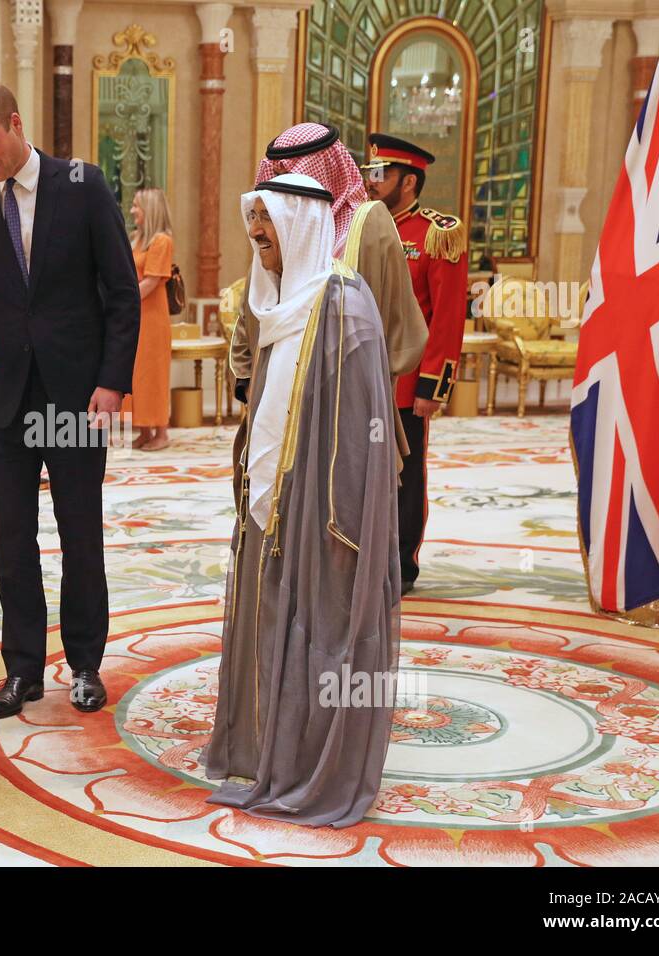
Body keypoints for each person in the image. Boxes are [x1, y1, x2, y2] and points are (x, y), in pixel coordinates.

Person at [204, 172, 401, 827]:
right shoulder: (278, 300)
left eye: (268, 220)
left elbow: (360, 430)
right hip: (274, 496)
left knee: (321, 623)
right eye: (252, 219)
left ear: (301, 224)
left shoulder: (344, 304)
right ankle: (267, 749)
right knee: (268, 613)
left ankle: (313, 761)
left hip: (323, 510)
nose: (256, 231)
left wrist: (333, 518)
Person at [0, 81, 140, 719]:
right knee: (12, 539)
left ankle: (84, 665)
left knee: (80, 532)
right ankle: (22, 670)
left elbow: (121, 291)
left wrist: (111, 382)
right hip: (6, 396)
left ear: (16, 123)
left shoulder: (81, 185)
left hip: (76, 395)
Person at [229, 123, 427, 506]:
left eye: (292, 174)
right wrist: (250, 381)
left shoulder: (367, 224)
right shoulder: (272, 229)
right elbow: (251, 314)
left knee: (337, 512)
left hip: (345, 412)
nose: (283, 188)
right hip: (275, 403)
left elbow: (398, 324)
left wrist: (362, 387)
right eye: (276, 176)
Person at [362, 133, 468, 594]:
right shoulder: (362, 225)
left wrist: (431, 385)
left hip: (406, 382)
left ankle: (401, 564)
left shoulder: (436, 234)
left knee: (404, 475)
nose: (371, 181)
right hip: (361, 375)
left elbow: (447, 316)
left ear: (408, 181)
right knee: (359, 469)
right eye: (369, 172)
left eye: (380, 173)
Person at [125, 187, 174, 451]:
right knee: (136, 374)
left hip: (153, 319)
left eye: (137, 206)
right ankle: (144, 430)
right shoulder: (137, 238)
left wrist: (125, 301)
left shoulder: (162, 241)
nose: (132, 210)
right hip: (136, 316)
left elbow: (152, 281)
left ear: (150, 209)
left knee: (154, 375)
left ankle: (161, 433)